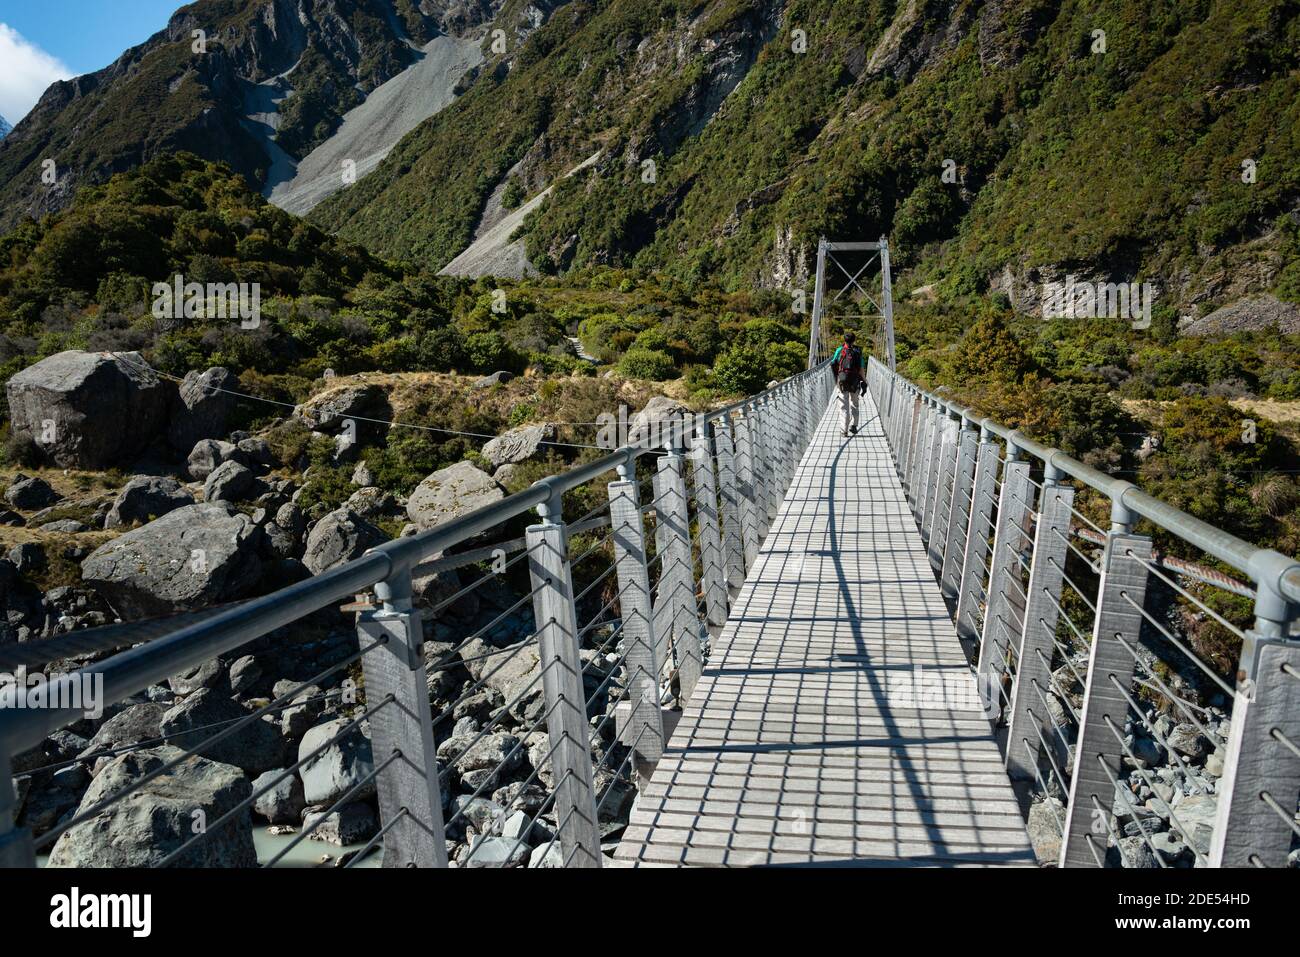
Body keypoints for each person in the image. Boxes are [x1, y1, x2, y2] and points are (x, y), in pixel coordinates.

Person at [830, 331, 864, 437]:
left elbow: (833, 363)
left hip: (842, 381)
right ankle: (854, 425)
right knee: (854, 403)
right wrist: (864, 381)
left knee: (843, 405)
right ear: (854, 340)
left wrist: (836, 378)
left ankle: (843, 430)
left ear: (844, 340)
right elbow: (861, 368)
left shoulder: (840, 350)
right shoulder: (857, 351)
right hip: (855, 381)